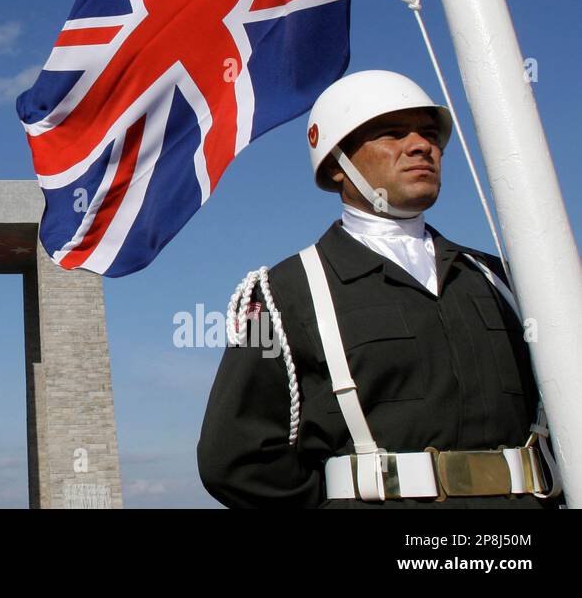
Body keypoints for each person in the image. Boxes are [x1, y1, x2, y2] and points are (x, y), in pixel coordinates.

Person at [196, 70, 562, 508]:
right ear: (336, 165)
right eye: (391, 133)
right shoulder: (285, 293)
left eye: (429, 133)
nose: (420, 145)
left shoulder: (502, 278)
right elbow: (234, 459)